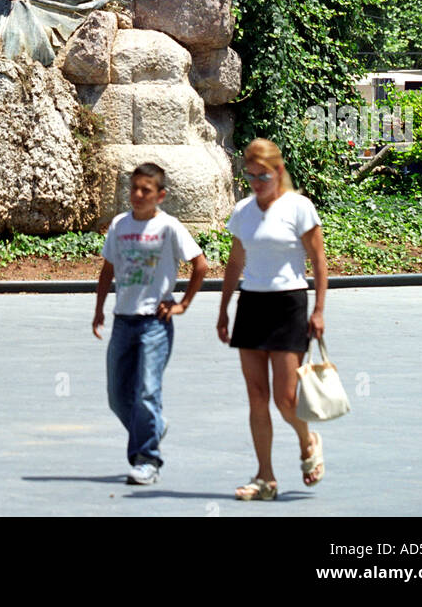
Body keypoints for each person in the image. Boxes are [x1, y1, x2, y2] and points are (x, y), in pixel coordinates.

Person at [217, 138, 328, 501]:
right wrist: (223, 310)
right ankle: (265, 477)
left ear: (278, 171)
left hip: (288, 305)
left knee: (285, 398)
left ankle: (307, 439)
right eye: (250, 176)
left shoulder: (300, 208)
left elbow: (318, 261)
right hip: (251, 306)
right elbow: (235, 263)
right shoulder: (243, 211)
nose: (256, 183)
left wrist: (319, 309)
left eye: (262, 176)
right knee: (256, 397)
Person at [93, 163, 208, 485]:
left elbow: (200, 265)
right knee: (118, 396)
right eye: (134, 188)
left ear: (161, 195)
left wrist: (182, 304)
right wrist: (99, 309)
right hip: (123, 321)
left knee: (147, 392)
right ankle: (154, 427)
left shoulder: (169, 227)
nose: (138, 195)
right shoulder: (119, 224)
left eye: (146, 190)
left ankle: (147, 460)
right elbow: (108, 270)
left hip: (155, 324)